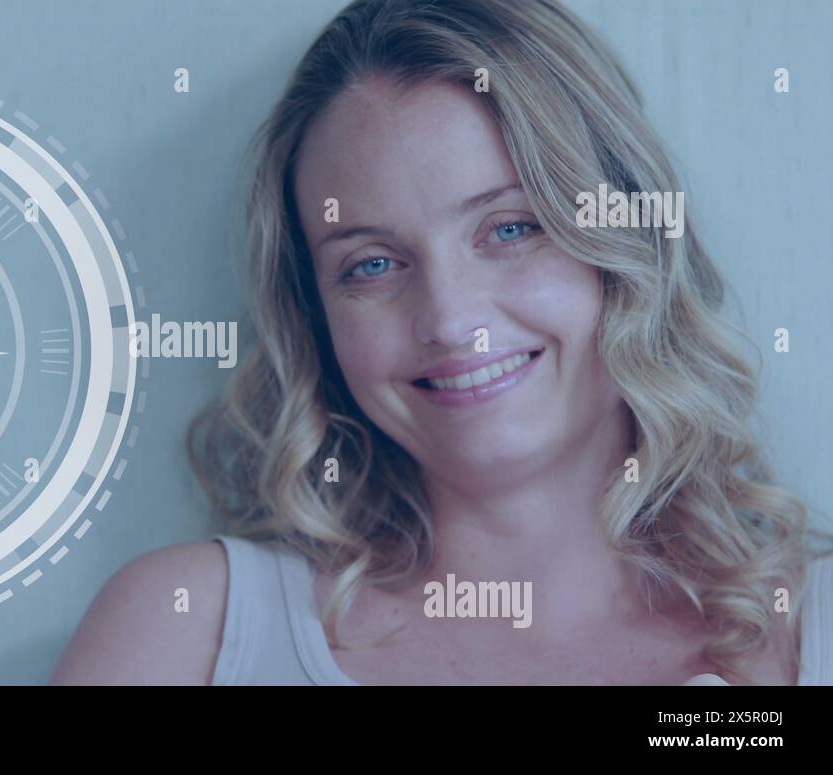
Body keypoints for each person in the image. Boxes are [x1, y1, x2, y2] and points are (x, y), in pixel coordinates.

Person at [50, 0, 833, 685]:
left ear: (626, 244)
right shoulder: (190, 630)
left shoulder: (812, 632)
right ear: (314, 317)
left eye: (512, 228)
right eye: (373, 264)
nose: (451, 320)